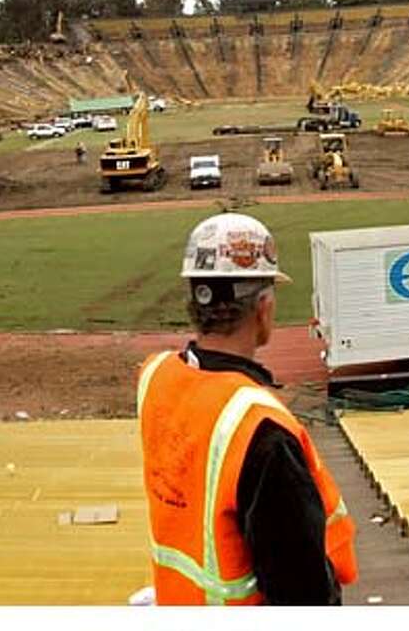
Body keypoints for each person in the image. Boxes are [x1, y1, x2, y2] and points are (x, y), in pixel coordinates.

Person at [136, 213, 358, 605]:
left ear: (195, 302)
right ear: (264, 308)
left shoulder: (156, 378)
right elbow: (302, 595)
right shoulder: (260, 430)